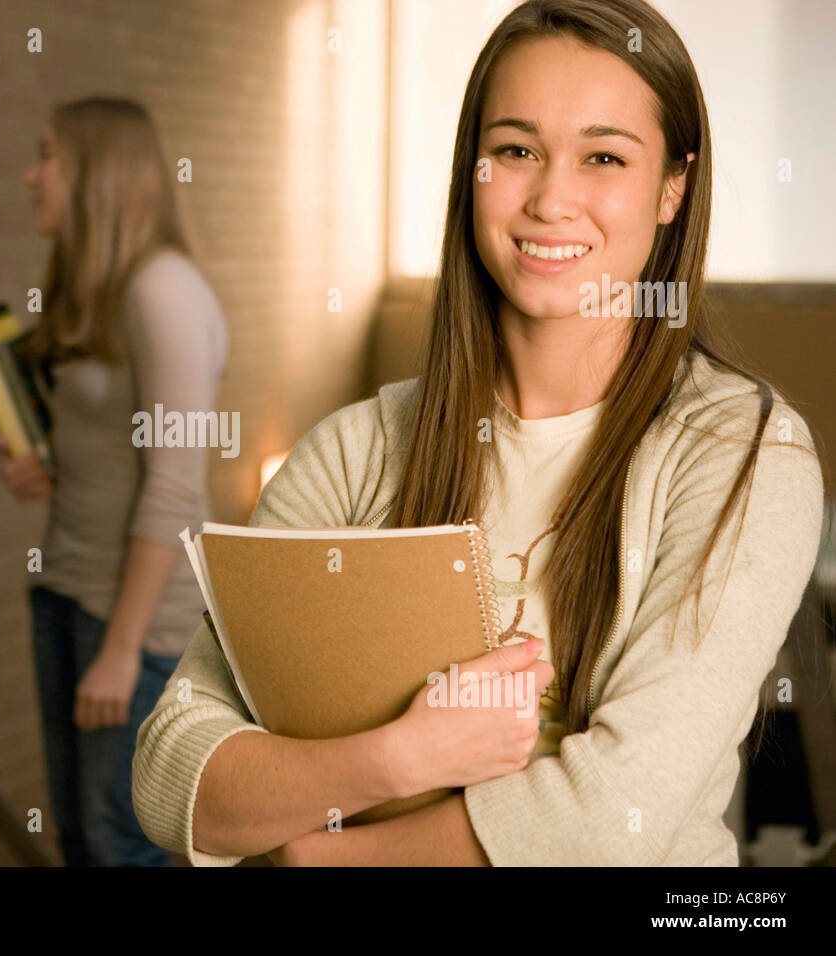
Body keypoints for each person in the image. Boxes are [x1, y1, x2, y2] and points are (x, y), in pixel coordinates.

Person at [131, 0, 826, 866]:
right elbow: (172, 775)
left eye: (603, 156)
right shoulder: (356, 451)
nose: (550, 199)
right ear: (473, 170)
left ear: (673, 188)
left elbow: (610, 821)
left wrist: (319, 854)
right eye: (516, 150)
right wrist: (400, 756)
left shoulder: (743, 452)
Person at [0, 98, 228, 866]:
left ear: (97, 174)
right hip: (66, 594)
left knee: (123, 845)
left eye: (46, 157)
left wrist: (123, 649)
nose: (30, 177)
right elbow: (112, 449)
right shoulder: (99, 290)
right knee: (81, 839)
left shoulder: (163, 290)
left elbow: (173, 487)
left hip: (134, 624)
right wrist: (46, 462)